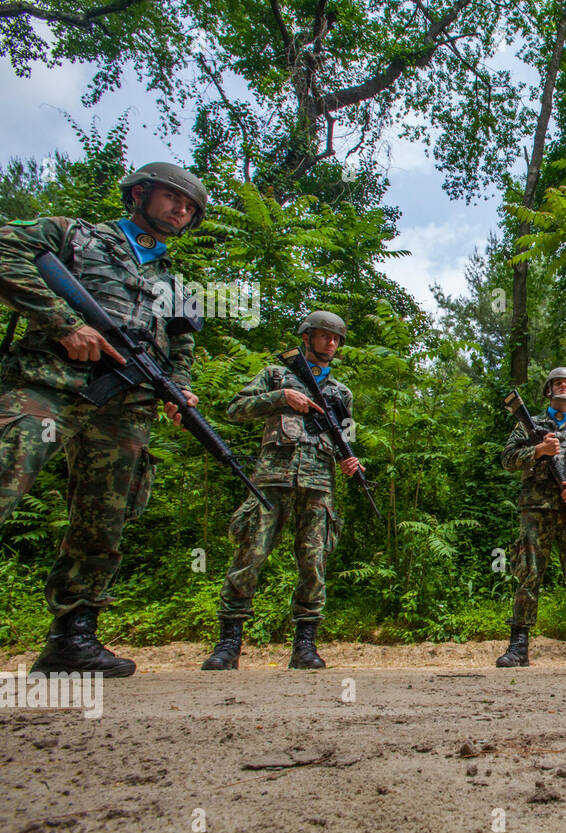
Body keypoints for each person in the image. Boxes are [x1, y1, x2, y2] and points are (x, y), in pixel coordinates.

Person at [0, 162, 207, 677]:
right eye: (173, 198)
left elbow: (182, 344)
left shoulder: (178, 284)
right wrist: (64, 322)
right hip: (46, 385)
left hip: (126, 405)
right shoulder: (75, 234)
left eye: (190, 208)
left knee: (105, 518)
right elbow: (4, 249)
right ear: (139, 193)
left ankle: (72, 639)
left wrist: (178, 388)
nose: (181, 210)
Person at [201, 311, 362, 670]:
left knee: (313, 563)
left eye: (336, 339)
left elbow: (345, 441)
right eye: (324, 336)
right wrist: (280, 397)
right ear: (306, 337)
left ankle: (305, 645)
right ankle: (228, 645)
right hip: (271, 480)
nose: (331, 343)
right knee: (250, 557)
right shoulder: (277, 375)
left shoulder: (340, 393)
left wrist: (350, 462)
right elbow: (235, 409)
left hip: (318, 484)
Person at [499, 367, 566, 667]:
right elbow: (506, 459)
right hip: (536, 509)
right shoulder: (529, 425)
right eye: (558, 382)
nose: (563, 386)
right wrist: (537, 451)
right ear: (549, 390)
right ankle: (518, 647)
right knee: (528, 572)